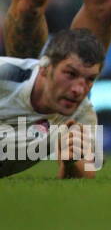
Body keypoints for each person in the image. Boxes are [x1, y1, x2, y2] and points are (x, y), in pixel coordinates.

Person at [0, 28, 103, 179]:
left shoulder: (81, 114)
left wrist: (71, 161)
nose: (79, 90)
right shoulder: (6, 74)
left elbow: (85, 175)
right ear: (45, 69)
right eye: (70, 74)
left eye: (90, 79)